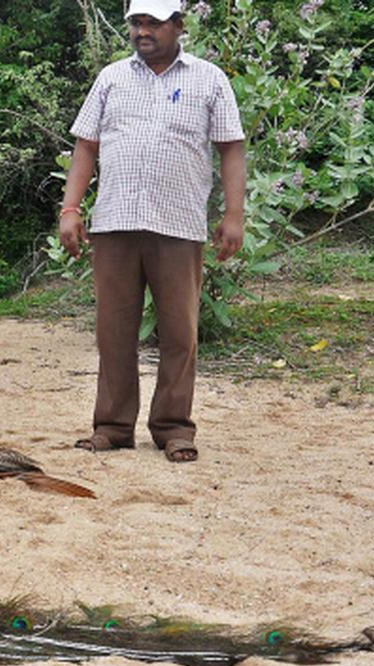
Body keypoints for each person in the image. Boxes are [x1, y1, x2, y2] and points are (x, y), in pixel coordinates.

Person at [57, 0, 246, 462]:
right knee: (114, 330)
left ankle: (174, 428)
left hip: (178, 224)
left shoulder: (208, 80)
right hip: (116, 222)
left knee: (180, 332)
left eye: (154, 23)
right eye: (137, 23)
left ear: (179, 27)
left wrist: (234, 215)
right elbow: (86, 146)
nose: (143, 31)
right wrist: (70, 208)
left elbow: (231, 149)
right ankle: (113, 426)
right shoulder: (112, 78)